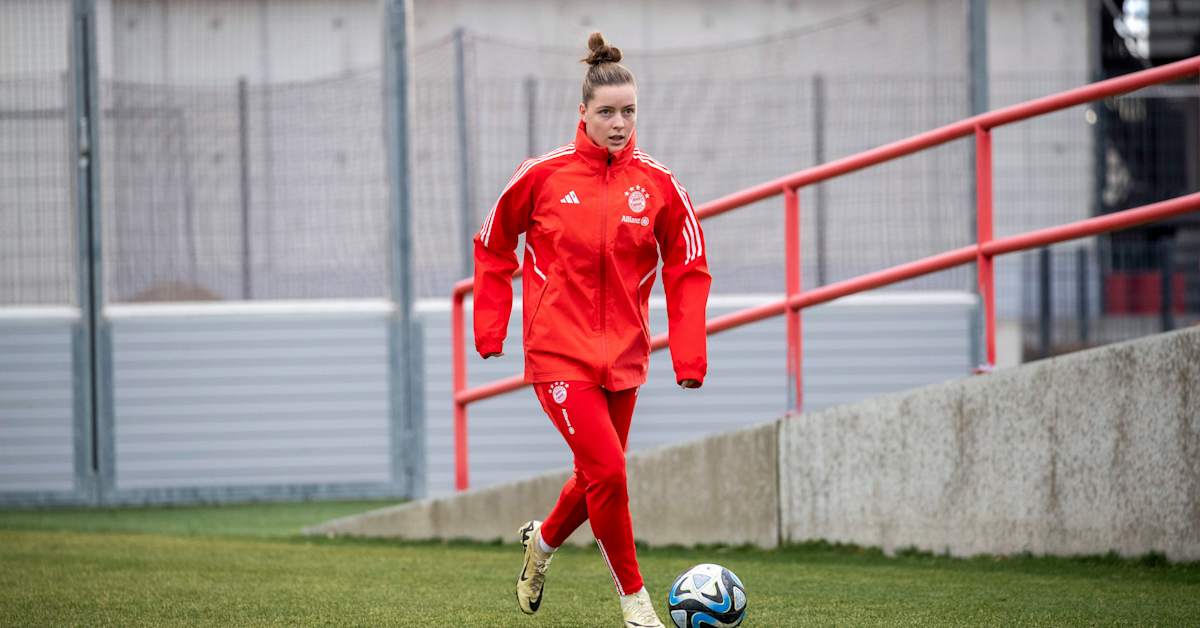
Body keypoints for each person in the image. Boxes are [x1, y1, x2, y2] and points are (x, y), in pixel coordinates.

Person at [472, 31, 711, 628]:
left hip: (625, 357)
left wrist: (689, 356)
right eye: (607, 112)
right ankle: (636, 603)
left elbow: (689, 265)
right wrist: (491, 328)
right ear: (583, 113)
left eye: (629, 111)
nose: (619, 122)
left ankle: (542, 544)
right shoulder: (544, 176)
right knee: (608, 471)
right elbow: (493, 243)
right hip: (556, 352)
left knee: (593, 474)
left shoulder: (658, 184)